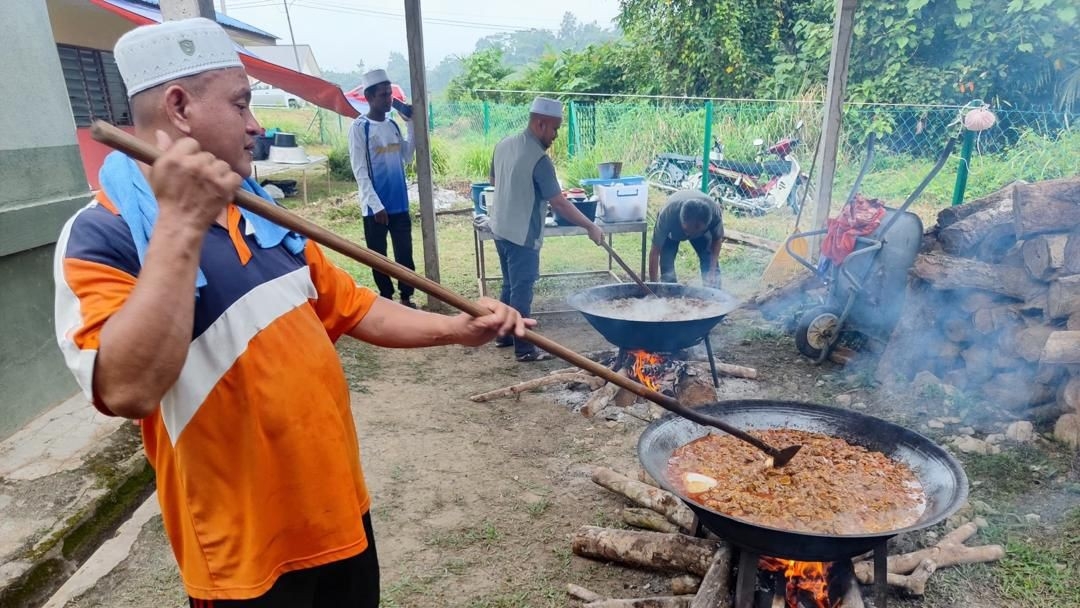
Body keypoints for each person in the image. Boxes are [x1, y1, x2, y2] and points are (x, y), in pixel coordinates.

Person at [52, 18, 532, 607]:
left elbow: (354, 308)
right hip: (245, 554)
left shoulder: (261, 214)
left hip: (337, 512)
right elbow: (127, 389)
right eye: (241, 103)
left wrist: (455, 329)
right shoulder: (104, 236)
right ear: (179, 107)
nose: (256, 126)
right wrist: (179, 223)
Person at [489, 96, 604, 362]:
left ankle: (503, 335)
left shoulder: (504, 144)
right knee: (522, 290)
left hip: (500, 228)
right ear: (540, 124)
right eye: (554, 129)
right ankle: (525, 349)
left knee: (509, 284)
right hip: (522, 235)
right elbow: (559, 203)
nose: (555, 136)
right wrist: (590, 226)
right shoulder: (539, 159)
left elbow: (493, 179)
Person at [348, 69, 417, 308]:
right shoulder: (360, 127)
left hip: (399, 203)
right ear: (369, 97)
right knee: (378, 256)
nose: (389, 99)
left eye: (390, 94)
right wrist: (375, 205)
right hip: (375, 208)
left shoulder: (393, 125)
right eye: (383, 95)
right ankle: (386, 298)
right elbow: (360, 170)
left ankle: (407, 296)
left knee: (404, 254)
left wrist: (411, 125)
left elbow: (407, 156)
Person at [648, 189, 725, 288]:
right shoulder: (668, 214)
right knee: (667, 263)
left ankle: (714, 294)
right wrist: (653, 286)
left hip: (702, 236)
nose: (691, 234)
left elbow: (717, 240)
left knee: (708, 257)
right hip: (672, 234)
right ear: (681, 220)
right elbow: (655, 251)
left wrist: (712, 270)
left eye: (697, 230)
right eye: (688, 230)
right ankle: (669, 292)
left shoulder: (714, 214)